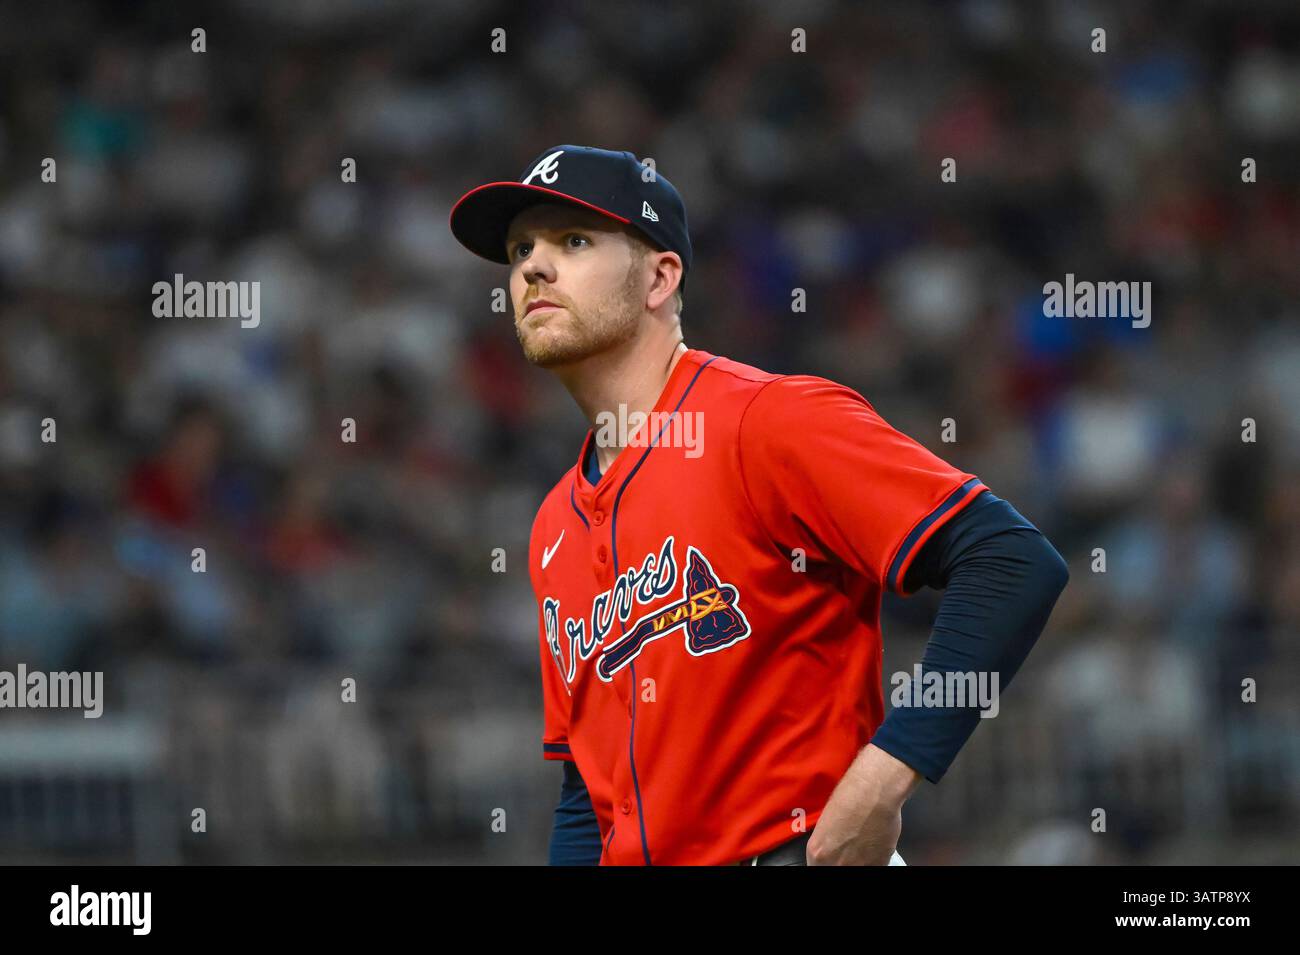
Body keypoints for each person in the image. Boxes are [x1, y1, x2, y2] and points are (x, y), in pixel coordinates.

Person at [449, 145, 1069, 866]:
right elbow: (586, 788)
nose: (532, 266)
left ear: (660, 276)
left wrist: (885, 773)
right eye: (521, 248)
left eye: (573, 240)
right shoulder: (554, 523)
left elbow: (1011, 559)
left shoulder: (766, 421)